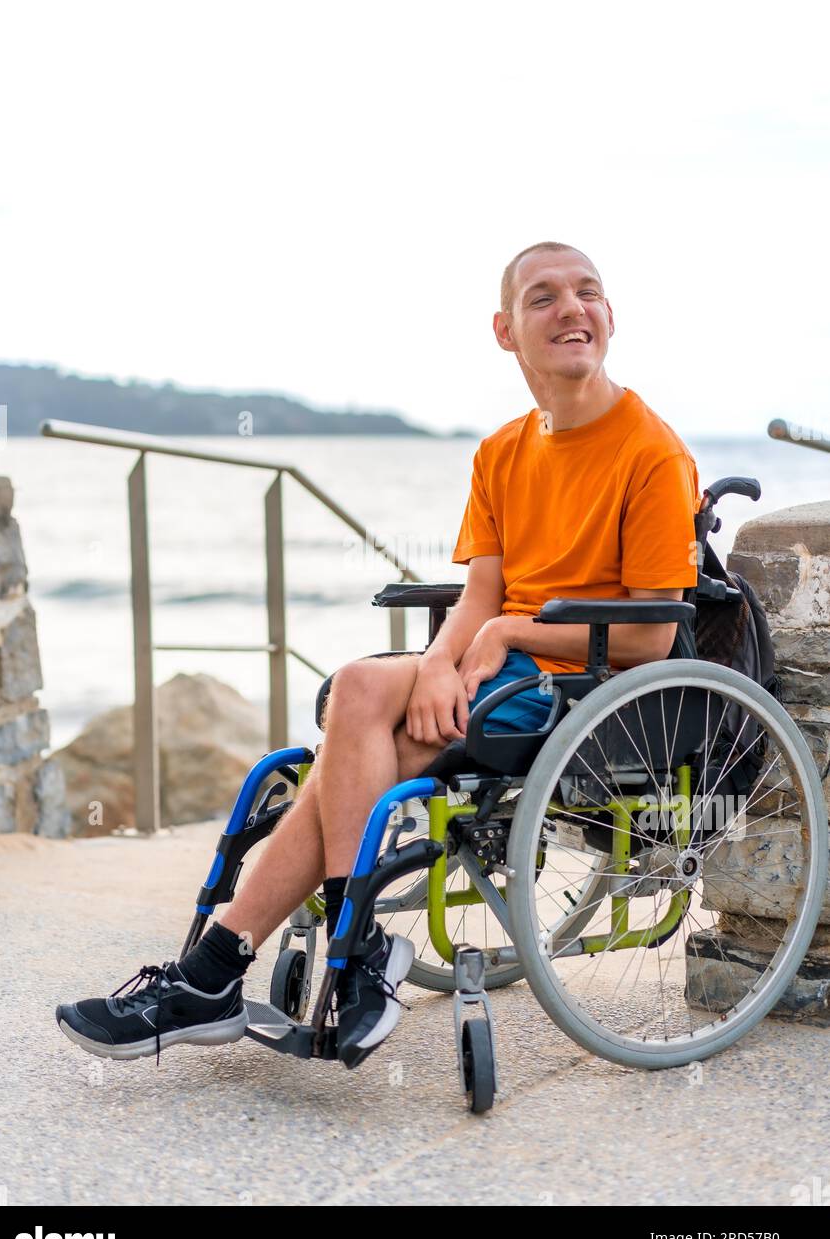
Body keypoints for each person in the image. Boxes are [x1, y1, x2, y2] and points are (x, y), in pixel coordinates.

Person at [55, 241, 700, 1071]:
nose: (573, 309)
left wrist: (506, 636)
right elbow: (480, 594)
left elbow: (650, 634)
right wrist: (440, 664)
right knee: (359, 688)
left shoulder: (651, 450)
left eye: (589, 293)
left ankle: (213, 974)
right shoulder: (503, 452)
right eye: (545, 298)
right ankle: (338, 961)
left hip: (587, 688)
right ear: (506, 331)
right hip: (497, 669)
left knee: (346, 765)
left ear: (610, 317)